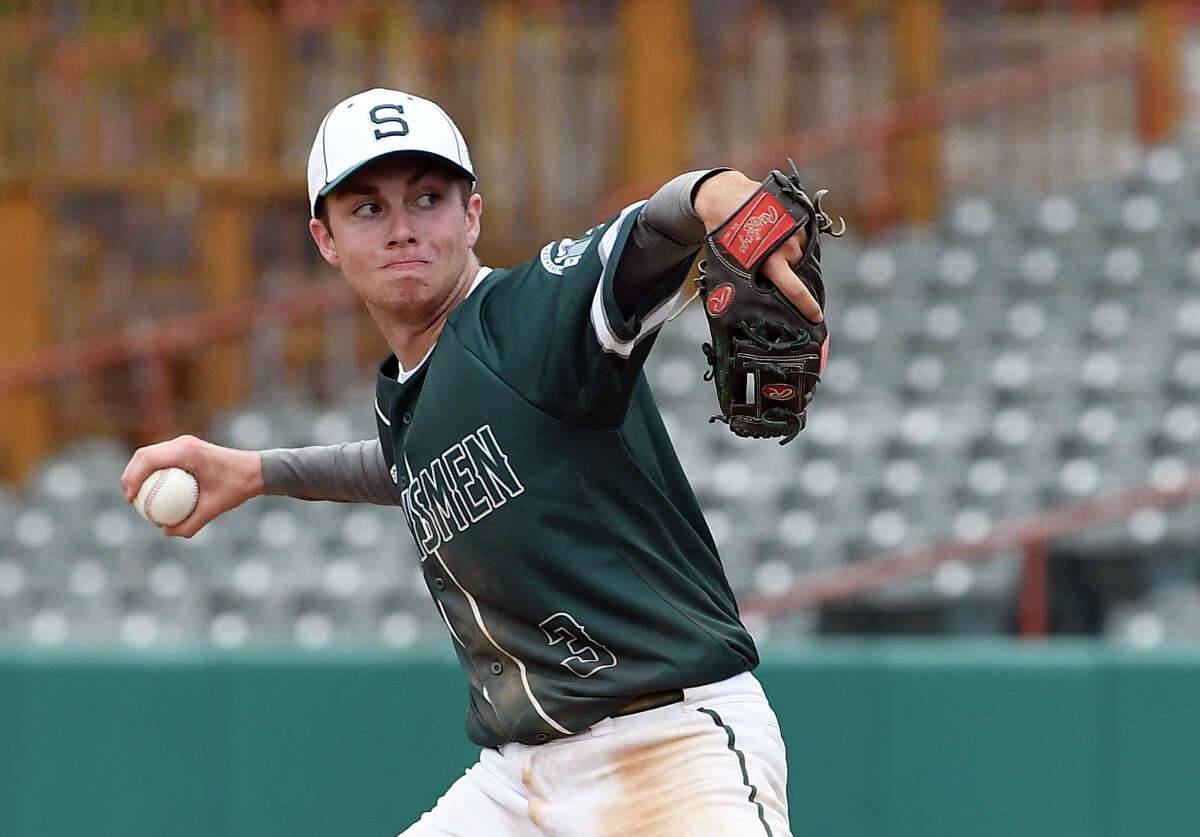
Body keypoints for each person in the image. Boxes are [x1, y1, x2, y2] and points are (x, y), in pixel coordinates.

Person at [122, 88, 824, 836]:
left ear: (472, 215)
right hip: (518, 781)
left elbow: (652, 229)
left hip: (667, 749)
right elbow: (408, 462)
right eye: (368, 208)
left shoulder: (528, 319)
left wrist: (714, 192)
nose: (401, 229)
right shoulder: (411, 387)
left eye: (427, 198)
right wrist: (260, 471)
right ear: (325, 239)